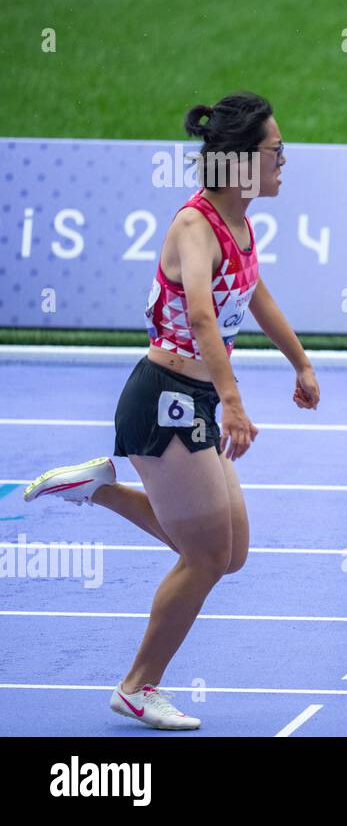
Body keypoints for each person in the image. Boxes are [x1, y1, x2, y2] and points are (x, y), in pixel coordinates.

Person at [23, 92, 320, 729]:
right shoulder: (193, 226)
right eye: (275, 152)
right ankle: (138, 685)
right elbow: (202, 318)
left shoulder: (241, 225)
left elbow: (254, 293)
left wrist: (300, 360)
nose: (283, 162)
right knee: (206, 557)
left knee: (230, 551)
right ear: (240, 163)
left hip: (197, 400)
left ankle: (98, 489)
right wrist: (235, 404)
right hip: (165, 402)